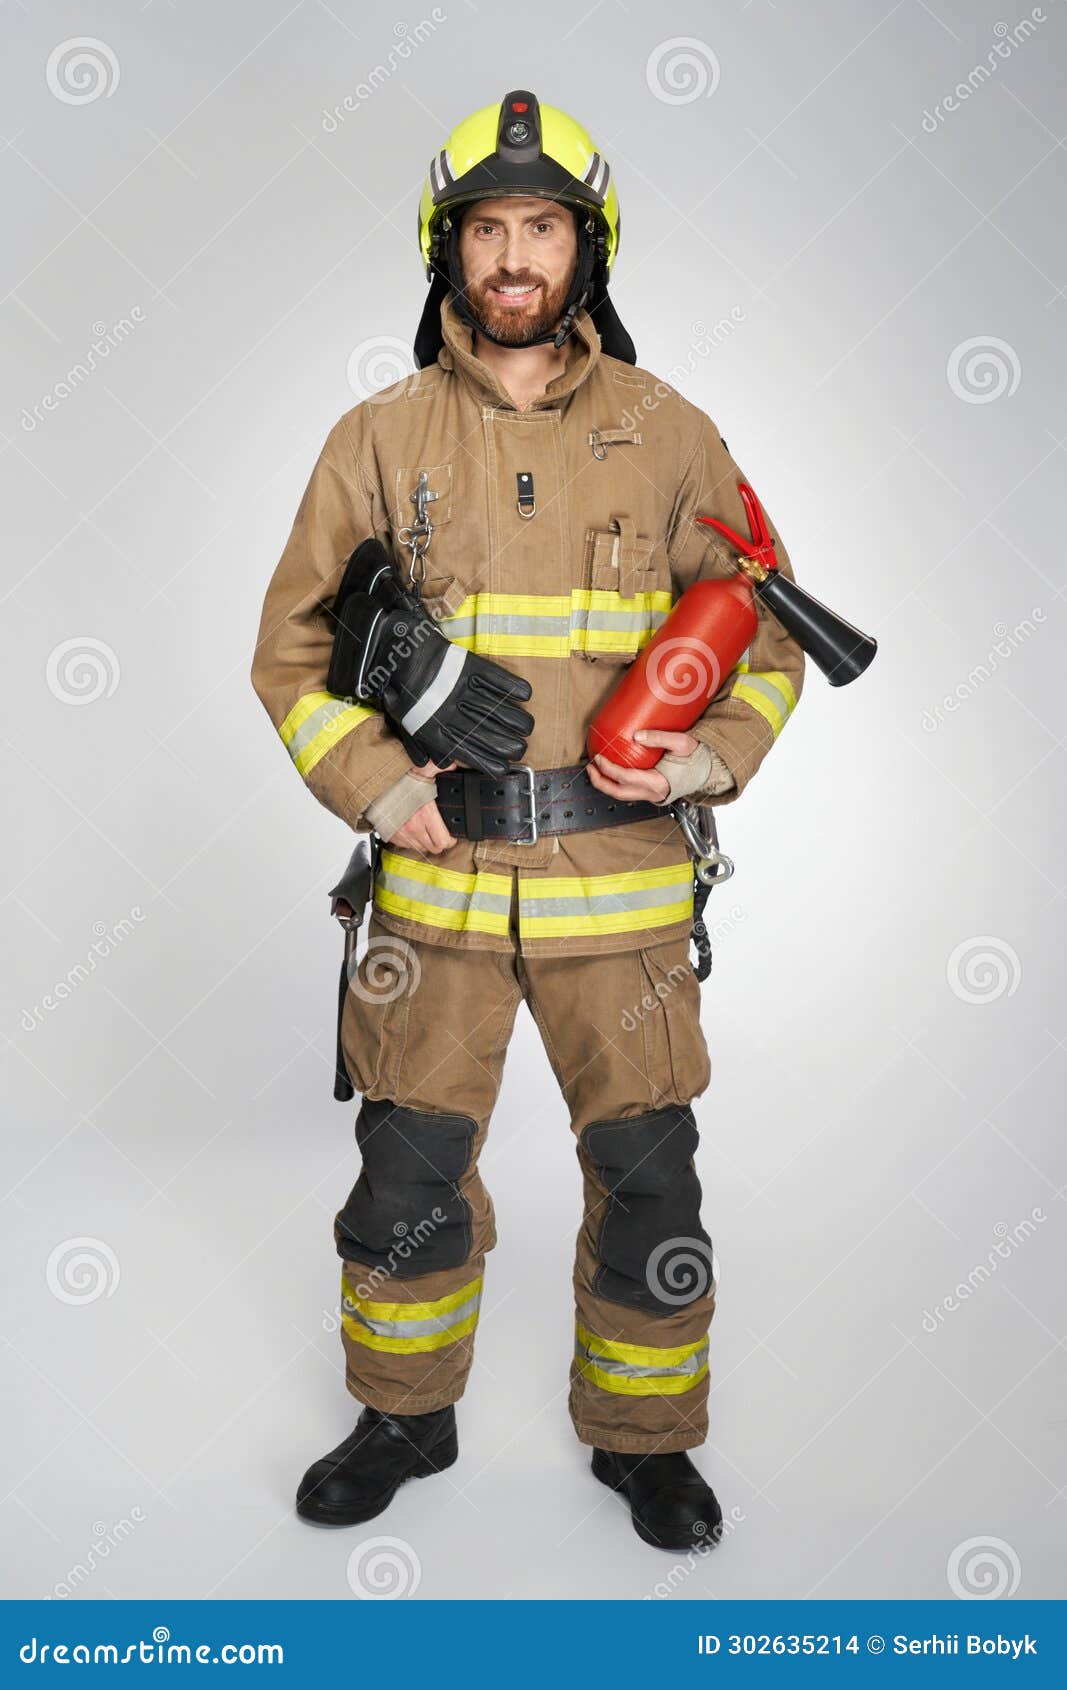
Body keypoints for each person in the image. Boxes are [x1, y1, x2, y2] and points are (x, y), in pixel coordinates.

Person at [251, 91, 804, 1552]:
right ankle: (401, 1414)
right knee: (406, 1180)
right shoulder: (375, 437)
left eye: (540, 228)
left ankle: (645, 1441)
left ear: (585, 247)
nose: (513, 256)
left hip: (622, 909)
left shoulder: (672, 434)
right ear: (449, 249)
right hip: (431, 907)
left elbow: (773, 628)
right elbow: (290, 656)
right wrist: (376, 785)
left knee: (649, 1182)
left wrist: (707, 763)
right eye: (487, 229)